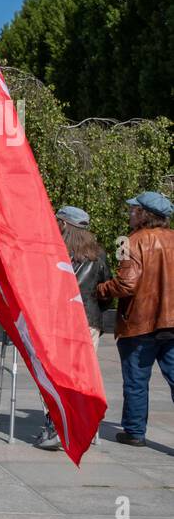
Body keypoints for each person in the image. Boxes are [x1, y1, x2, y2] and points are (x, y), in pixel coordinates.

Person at [96, 191, 174, 447]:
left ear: (144, 214)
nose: (129, 213)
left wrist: (102, 289)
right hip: (171, 322)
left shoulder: (128, 241)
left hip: (139, 323)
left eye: (133, 209)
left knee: (136, 381)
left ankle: (134, 432)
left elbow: (126, 284)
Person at [34, 206, 111, 450]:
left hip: (59, 321)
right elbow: (107, 291)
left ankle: (55, 425)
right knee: (83, 376)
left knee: (53, 375)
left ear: (64, 225)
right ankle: (81, 426)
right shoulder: (98, 254)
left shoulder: (54, 251)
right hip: (88, 321)